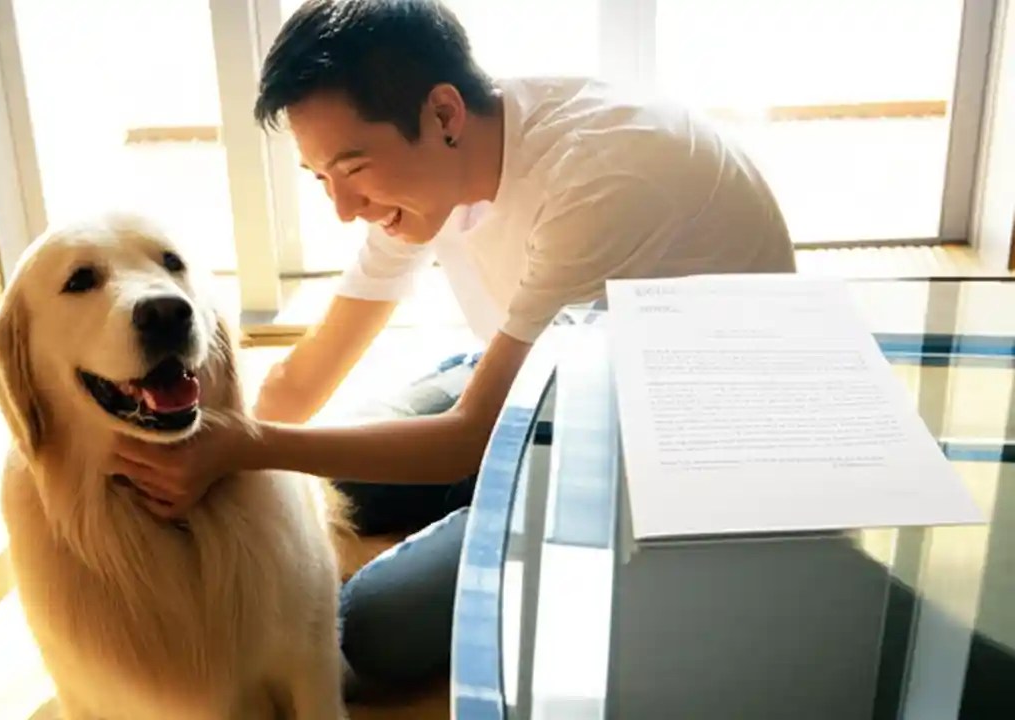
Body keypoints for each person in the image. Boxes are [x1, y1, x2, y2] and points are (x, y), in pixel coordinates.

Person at [110, 0, 796, 698]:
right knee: (320, 480)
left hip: (665, 448)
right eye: (321, 178)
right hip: (538, 374)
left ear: (442, 114)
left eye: (352, 168)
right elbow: (305, 373)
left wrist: (247, 448)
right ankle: (477, 498)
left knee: (369, 633)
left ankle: (511, 517)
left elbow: (467, 437)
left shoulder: (600, 181)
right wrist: (217, 440)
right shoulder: (430, 169)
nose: (344, 207)